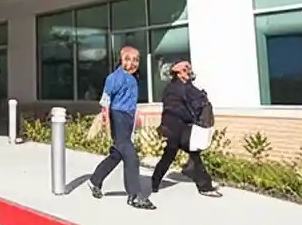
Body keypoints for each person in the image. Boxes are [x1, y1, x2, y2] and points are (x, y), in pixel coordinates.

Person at [88, 46, 155, 210]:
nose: (132, 63)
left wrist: (135, 117)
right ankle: (135, 195)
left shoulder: (132, 79)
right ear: (121, 60)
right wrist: (106, 121)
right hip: (118, 116)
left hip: (128, 117)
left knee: (117, 154)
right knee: (131, 155)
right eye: (128, 59)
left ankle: (95, 180)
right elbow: (105, 100)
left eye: (135, 60)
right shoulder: (114, 78)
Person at [151, 61, 221, 197]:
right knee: (180, 155)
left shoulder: (181, 87)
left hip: (179, 128)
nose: (187, 73)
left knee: (174, 156)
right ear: (177, 73)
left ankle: (155, 182)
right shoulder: (177, 88)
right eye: (184, 70)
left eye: (188, 70)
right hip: (175, 129)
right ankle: (204, 187)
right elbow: (192, 103)